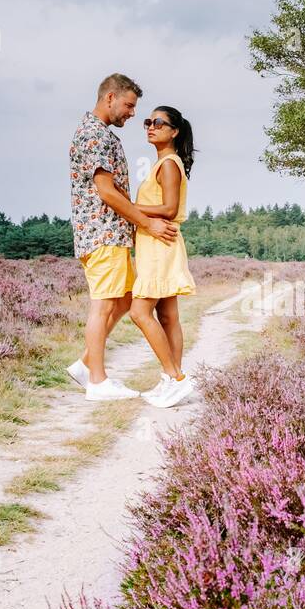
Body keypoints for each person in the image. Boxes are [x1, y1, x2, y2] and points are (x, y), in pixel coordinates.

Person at [65, 73, 178, 401]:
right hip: (103, 233)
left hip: (111, 234)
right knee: (102, 306)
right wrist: (149, 223)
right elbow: (107, 193)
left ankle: (87, 364)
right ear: (109, 98)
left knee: (126, 298)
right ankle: (98, 382)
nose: (132, 113)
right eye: (129, 106)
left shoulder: (100, 134)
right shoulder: (94, 135)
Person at [129, 106, 197, 408]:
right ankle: (172, 380)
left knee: (139, 312)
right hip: (158, 244)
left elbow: (169, 208)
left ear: (174, 131)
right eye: (148, 122)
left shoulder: (169, 164)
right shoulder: (165, 163)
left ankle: (177, 378)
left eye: (158, 123)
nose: (150, 127)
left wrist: (130, 206)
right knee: (168, 316)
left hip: (159, 246)